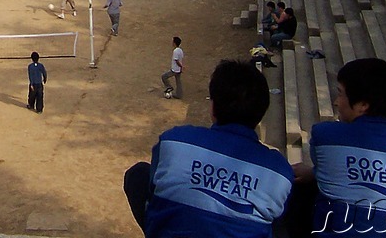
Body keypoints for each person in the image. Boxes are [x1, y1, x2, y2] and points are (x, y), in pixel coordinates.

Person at [124, 60, 293, 237]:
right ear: (261, 113)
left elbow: (154, 186)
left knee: (138, 175)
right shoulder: (279, 170)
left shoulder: (174, 141)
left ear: (212, 107)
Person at [291, 58, 386, 237]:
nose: (336, 102)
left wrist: (312, 175)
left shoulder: (326, 135)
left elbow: (338, 170)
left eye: (340, 94)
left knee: (301, 191)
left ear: (363, 105)